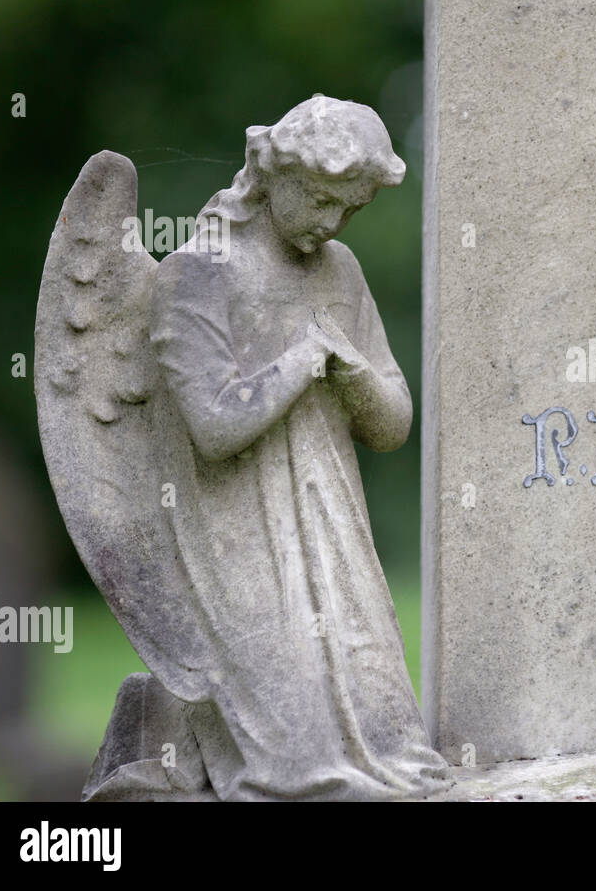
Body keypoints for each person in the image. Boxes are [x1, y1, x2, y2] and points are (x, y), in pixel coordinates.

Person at [145, 96, 448, 799]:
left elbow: (393, 425)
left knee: (389, 737)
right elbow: (214, 427)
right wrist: (302, 360)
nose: (330, 223)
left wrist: (353, 375)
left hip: (333, 527)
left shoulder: (340, 270)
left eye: (349, 209)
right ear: (270, 173)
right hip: (237, 538)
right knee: (296, 760)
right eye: (317, 200)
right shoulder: (200, 272)